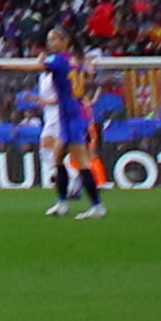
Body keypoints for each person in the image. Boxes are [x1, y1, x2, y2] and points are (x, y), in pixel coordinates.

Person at [39, 35, 108, 220]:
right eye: (50, 39)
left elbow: (37, 67)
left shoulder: (59, 60)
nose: (50, 42)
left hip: (72, 117)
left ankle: (97, 206)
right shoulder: (75, 61)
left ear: (65, 42)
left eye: (54, 39)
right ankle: (62, 203)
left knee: (83, 162)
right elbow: (82, 81)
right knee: (57, 159)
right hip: (71, 116)